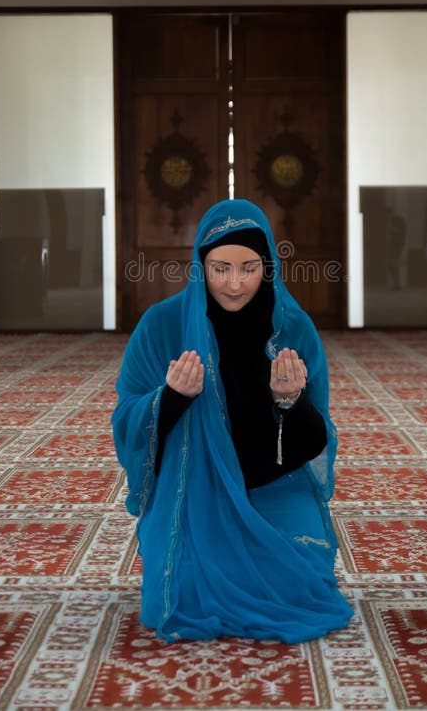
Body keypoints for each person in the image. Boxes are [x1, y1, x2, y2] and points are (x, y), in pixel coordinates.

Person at [112, 198, 353, 643]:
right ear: (200, 265)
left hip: (274, 488)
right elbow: (127, 423)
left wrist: (290, 402)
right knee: (186, 591)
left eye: (249, 268)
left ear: (268, 266)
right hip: (194, 497)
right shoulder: (161, 326)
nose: (236, 284)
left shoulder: (293, 330)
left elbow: (313, 442)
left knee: (300, 585)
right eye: (221, 268)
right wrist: (172, 399)